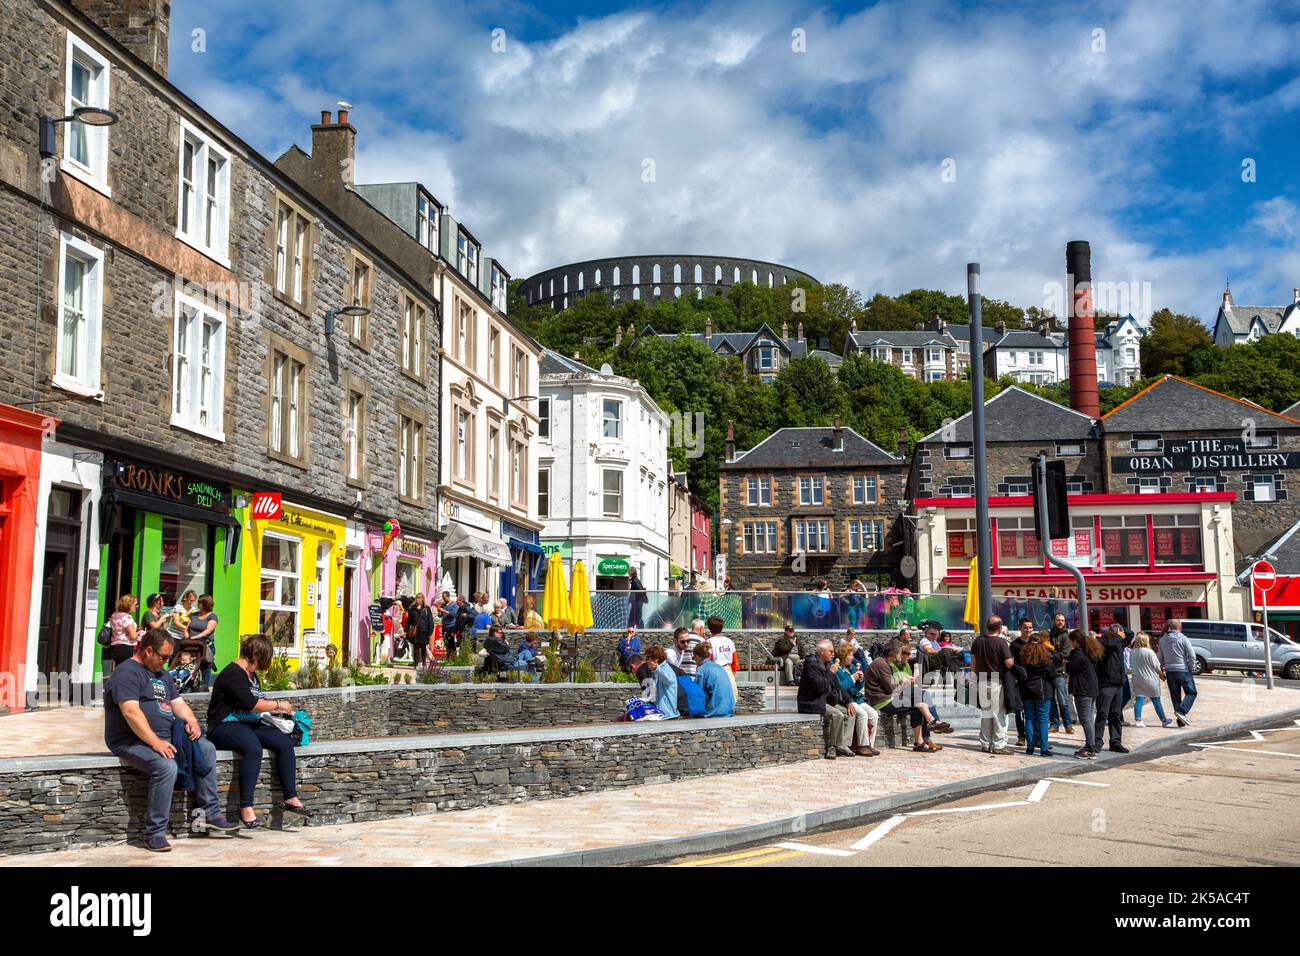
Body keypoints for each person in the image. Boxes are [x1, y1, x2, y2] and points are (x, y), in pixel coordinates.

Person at [103, 628, 241, 850]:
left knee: (206, 749)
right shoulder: (127, 673)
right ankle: (155, 832)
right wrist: (155, 742)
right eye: (164, 657)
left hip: (166, 736)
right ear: (148, 651)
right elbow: (131, 712)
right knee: (166, 767)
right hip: (132, 740)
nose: (167, 663)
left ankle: (210, 815)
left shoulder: (161, 675)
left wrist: (191, 720)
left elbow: (177, 703)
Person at [206, 634, 306, 828]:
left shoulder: (251, 674)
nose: (263, 665)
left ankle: (290, 797)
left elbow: (258, 705)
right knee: (252, 747)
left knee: (283, 742)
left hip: (247, 723)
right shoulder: (234, 672)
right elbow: (252, 704)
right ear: (255, 654)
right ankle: (245, 806)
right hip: (223, 725)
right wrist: (278, 703)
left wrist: (283, 710)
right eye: (264, 659)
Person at [864, 639, 937, 752]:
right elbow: (891, 689)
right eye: (900, 652)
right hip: (882, 702)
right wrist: (905, 683)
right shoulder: (881, 664)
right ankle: (930, 722)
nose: (901, 655)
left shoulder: (884, 663)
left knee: (917, 705)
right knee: (917, 698)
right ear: (894, 652)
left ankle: (920, 741)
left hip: (888, 698)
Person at [797, 639, 857, 759]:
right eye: (830, 651)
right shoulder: (812, 665)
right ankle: (832, 747)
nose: (833, 654)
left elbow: (838, 685)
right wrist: (831, 673)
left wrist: (849, 701)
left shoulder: (827, 664)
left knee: (851, 713)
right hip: (811, 702)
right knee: (837, 715)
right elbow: (820, 687)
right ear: (822, 652)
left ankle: (843, 744)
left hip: (822, 700)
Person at [972, 614, 1015, 756]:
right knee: (998, 714)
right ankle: (998, 744)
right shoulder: (1001, 642)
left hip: (981, 679)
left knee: (986, 713)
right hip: (996, 680)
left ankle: (985, 743)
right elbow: (1009, 663)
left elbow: (973, 663)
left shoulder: (977, 641)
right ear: (1000, 627)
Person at [834, 642, 880, 756]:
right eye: (850, 655)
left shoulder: (852, 668)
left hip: (856, 699)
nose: (852, 658)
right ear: (843, 656)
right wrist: (853, 678)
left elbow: (857, 688)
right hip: (845, 700)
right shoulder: (837, 669)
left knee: (874, 714)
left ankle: (870, 744)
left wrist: (860, 681)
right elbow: (841, 687)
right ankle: (862, 745)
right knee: (862, 714)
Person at [1017, 634, 1056, 757]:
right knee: (1043, 720)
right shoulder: (1046, 658)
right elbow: (1052, 673)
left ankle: (1030, 747)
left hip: (1027, 691)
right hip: (1042, 691)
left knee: (1029, 719)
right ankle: (1044, 749)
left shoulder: (1023, 658)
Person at [1094, 624, 1131, 753]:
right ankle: (1097, 741)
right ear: (1108, 632)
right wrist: (1118, 636)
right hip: (1106, 684)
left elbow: (1130, 634)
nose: (1118, 636)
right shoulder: (1102, 642)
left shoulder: (1119, 642)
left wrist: (1121, 627)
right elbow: (1109, 644)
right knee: (1102, 714)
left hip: (1118, 684)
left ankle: (1115, 742)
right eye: (1114, 633)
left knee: (1116, 714)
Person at [1067, 629, 1103, 759]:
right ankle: (1090, 745)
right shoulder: (1089, 652)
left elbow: (1071, 668)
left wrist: (1067, 662)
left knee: (1085, 719)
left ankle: (1090, 748)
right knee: (1089, 719)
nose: (1070, 644)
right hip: (1092, 689)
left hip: (1083, 690)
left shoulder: (1078, 653)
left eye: (1071, 641)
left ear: (1076, 641)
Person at [1158, 618, 1198, 727]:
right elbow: (1192, 655)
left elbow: (1160, 658)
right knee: (1191, 692)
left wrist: (1161, 671)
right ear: (1179, 628)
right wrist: (1190, 667)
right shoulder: (1183, 638)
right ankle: (1181, 711)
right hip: (1183, 670)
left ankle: (1180, 721)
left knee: (1175, 697)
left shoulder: (1162, 639)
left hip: (1170, 671)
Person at [1130, 632, 1173, 728]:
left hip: (1137, 679)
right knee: (1156, 700)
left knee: (1139, 699)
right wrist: (1162, 676)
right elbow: (1156, 667)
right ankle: (1163, 720)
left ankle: (1138, 720)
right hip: (1150, 679)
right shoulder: (1150, 652)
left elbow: (1131, 666)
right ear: (1146, 641)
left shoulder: (1133, 652)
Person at [1046, 618, 1075, 735]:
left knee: (1062, 699)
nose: (1060, 622)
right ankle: (1054, 724)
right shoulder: (1049, 634)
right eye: (1058, 620)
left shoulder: (1066, 636)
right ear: (1054, 621)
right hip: (1048, 671)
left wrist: (1052, 652)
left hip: (1060, 672)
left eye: (1062, 620)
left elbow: (1065, 654)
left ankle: (1068, 725)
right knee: (1051, 699)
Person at [1008, 618, 1034, 747]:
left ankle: (1035, 737)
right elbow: (1011, 663)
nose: (1028, 630)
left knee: (1034, 710)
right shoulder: (1014, 645)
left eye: (1030, 627)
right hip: (1020, 682)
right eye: (1025, 627)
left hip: (1034, 682)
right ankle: (1021, 736)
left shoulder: (1035, 643)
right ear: (1020, 628)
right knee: (1019, 710)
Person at [693, 642, 736, 717]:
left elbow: (698, 695)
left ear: (697, 656)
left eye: (693, 658)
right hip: (729, 710)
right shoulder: (720, 668)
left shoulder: (701, 670)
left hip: (714, 712)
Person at [187, 593, 219, 691]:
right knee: (190, 666)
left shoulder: (212, 616)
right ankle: (189, 686)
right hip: (191, 645)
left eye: (200, 602)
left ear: (206, 603)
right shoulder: (193, 614)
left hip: (205, 646)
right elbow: (187, 627)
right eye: (198, 601)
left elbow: (208, 630)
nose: (198, 603)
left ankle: (204, 689)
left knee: (205, 669)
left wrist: (196, 637)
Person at [105, 594, 140, 672]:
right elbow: (133, 636)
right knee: (126, 671)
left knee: (119, 669)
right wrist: (139, 634)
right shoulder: (127, 617)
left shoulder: (114, 615)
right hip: (125, 647)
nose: (137, 606)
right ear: (129, 605)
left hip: (114, 647)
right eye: (135, 604)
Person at [705, 616, 738, 697]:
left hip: (715, 673)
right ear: (722, 628)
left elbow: (707, 662)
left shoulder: (709, 642)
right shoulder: (729, 641)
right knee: (731, 699)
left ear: (709, 628)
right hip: (728, 671)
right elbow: (735, 664)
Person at [646, 645, 679, 718]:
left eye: (648, 658)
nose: (646, 660)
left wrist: (656, 668)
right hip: (660, 714)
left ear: (656, 659)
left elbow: (667, 679)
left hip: (668, 714)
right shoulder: (654, 672)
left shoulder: (666, 669)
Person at [405, 593, 435, 670]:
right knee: (416, 648)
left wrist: (430, 632)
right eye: (416, 598)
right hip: (416, 632)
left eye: (419, 598)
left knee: (423, 648)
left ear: (422, 599)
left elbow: (430, 621)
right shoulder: (412, 608)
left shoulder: (426, 609)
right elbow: (408, 621)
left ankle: (424, 663)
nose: (417, 599)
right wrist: (406, 630)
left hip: (424, 631)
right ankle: (416, 664)